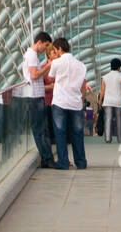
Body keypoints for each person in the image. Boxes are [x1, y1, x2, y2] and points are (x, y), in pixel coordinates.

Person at [37, 36, 91, 170]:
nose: (55, 52)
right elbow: (82, 86)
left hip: (60, 102)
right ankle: (81, 162)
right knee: (77, 133)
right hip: (76, 102)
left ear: (59, 48)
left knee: (60, 132)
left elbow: (50, 77)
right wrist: (82, 99)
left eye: (55, 49)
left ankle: (63, 162)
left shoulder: (57, 63)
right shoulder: (82, 66)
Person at [20, 32, 55, 169]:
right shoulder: (32, 56)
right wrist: (47, 67)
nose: (45, 49)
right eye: (45, 46)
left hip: (36, 96)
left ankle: (47, 158)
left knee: (42, 129)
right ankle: (47, 158)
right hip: (35, 97)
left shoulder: (31, 55)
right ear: (39, 42)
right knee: (41, 129)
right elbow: (34, 75)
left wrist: (46, 68)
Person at [99, 58, 121, 144]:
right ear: (119, 67)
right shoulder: (120, 76)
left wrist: (100, 100)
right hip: (118, 101)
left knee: (108, 119)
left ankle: (108, 138)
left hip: (108, 101)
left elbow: (102, 91)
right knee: (119, 120)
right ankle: (120, 139)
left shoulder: (105, 77)